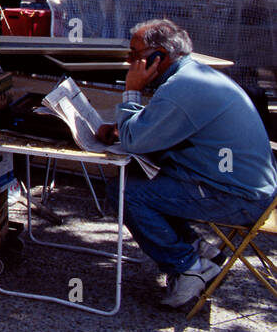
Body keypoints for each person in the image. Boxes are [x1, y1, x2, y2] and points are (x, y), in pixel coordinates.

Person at [96, 19, 277, 308]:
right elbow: (158, 130)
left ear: (159, 56)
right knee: (144, 179)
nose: (128, 61)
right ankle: (198, 250)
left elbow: (133, 142)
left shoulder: (183, 87)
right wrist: (125, 128)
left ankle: (189, 266)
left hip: (242, 199)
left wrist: (131, 91)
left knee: (124, 192)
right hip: (250, 188)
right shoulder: (193, 76)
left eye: (134, 54)